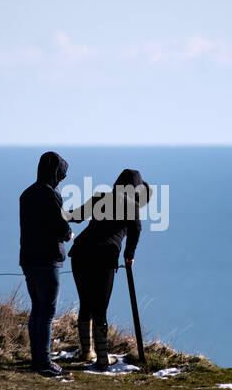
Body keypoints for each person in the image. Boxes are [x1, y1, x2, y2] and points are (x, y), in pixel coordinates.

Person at [67, 168, 148, 370]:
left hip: (80, 253)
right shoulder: (132, 204)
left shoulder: (101, 197)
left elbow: (75, 216)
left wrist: (57, 214)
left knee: (86, 303)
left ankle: (87, 351)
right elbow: (136, 228)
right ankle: (102, 358)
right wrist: (129, 254)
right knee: (100, 307)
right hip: (104, 257)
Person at [19, 151, 73, 377]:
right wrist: (69, 234)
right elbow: (59, 226)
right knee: (47, 312)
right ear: (55, 174)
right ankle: (45, 363)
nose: (62, 180)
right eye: (62, 175)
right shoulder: (51, 195)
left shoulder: (27, 194)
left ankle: (37, 359)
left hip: (28, 258)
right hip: (47, 259)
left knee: (37, 309)